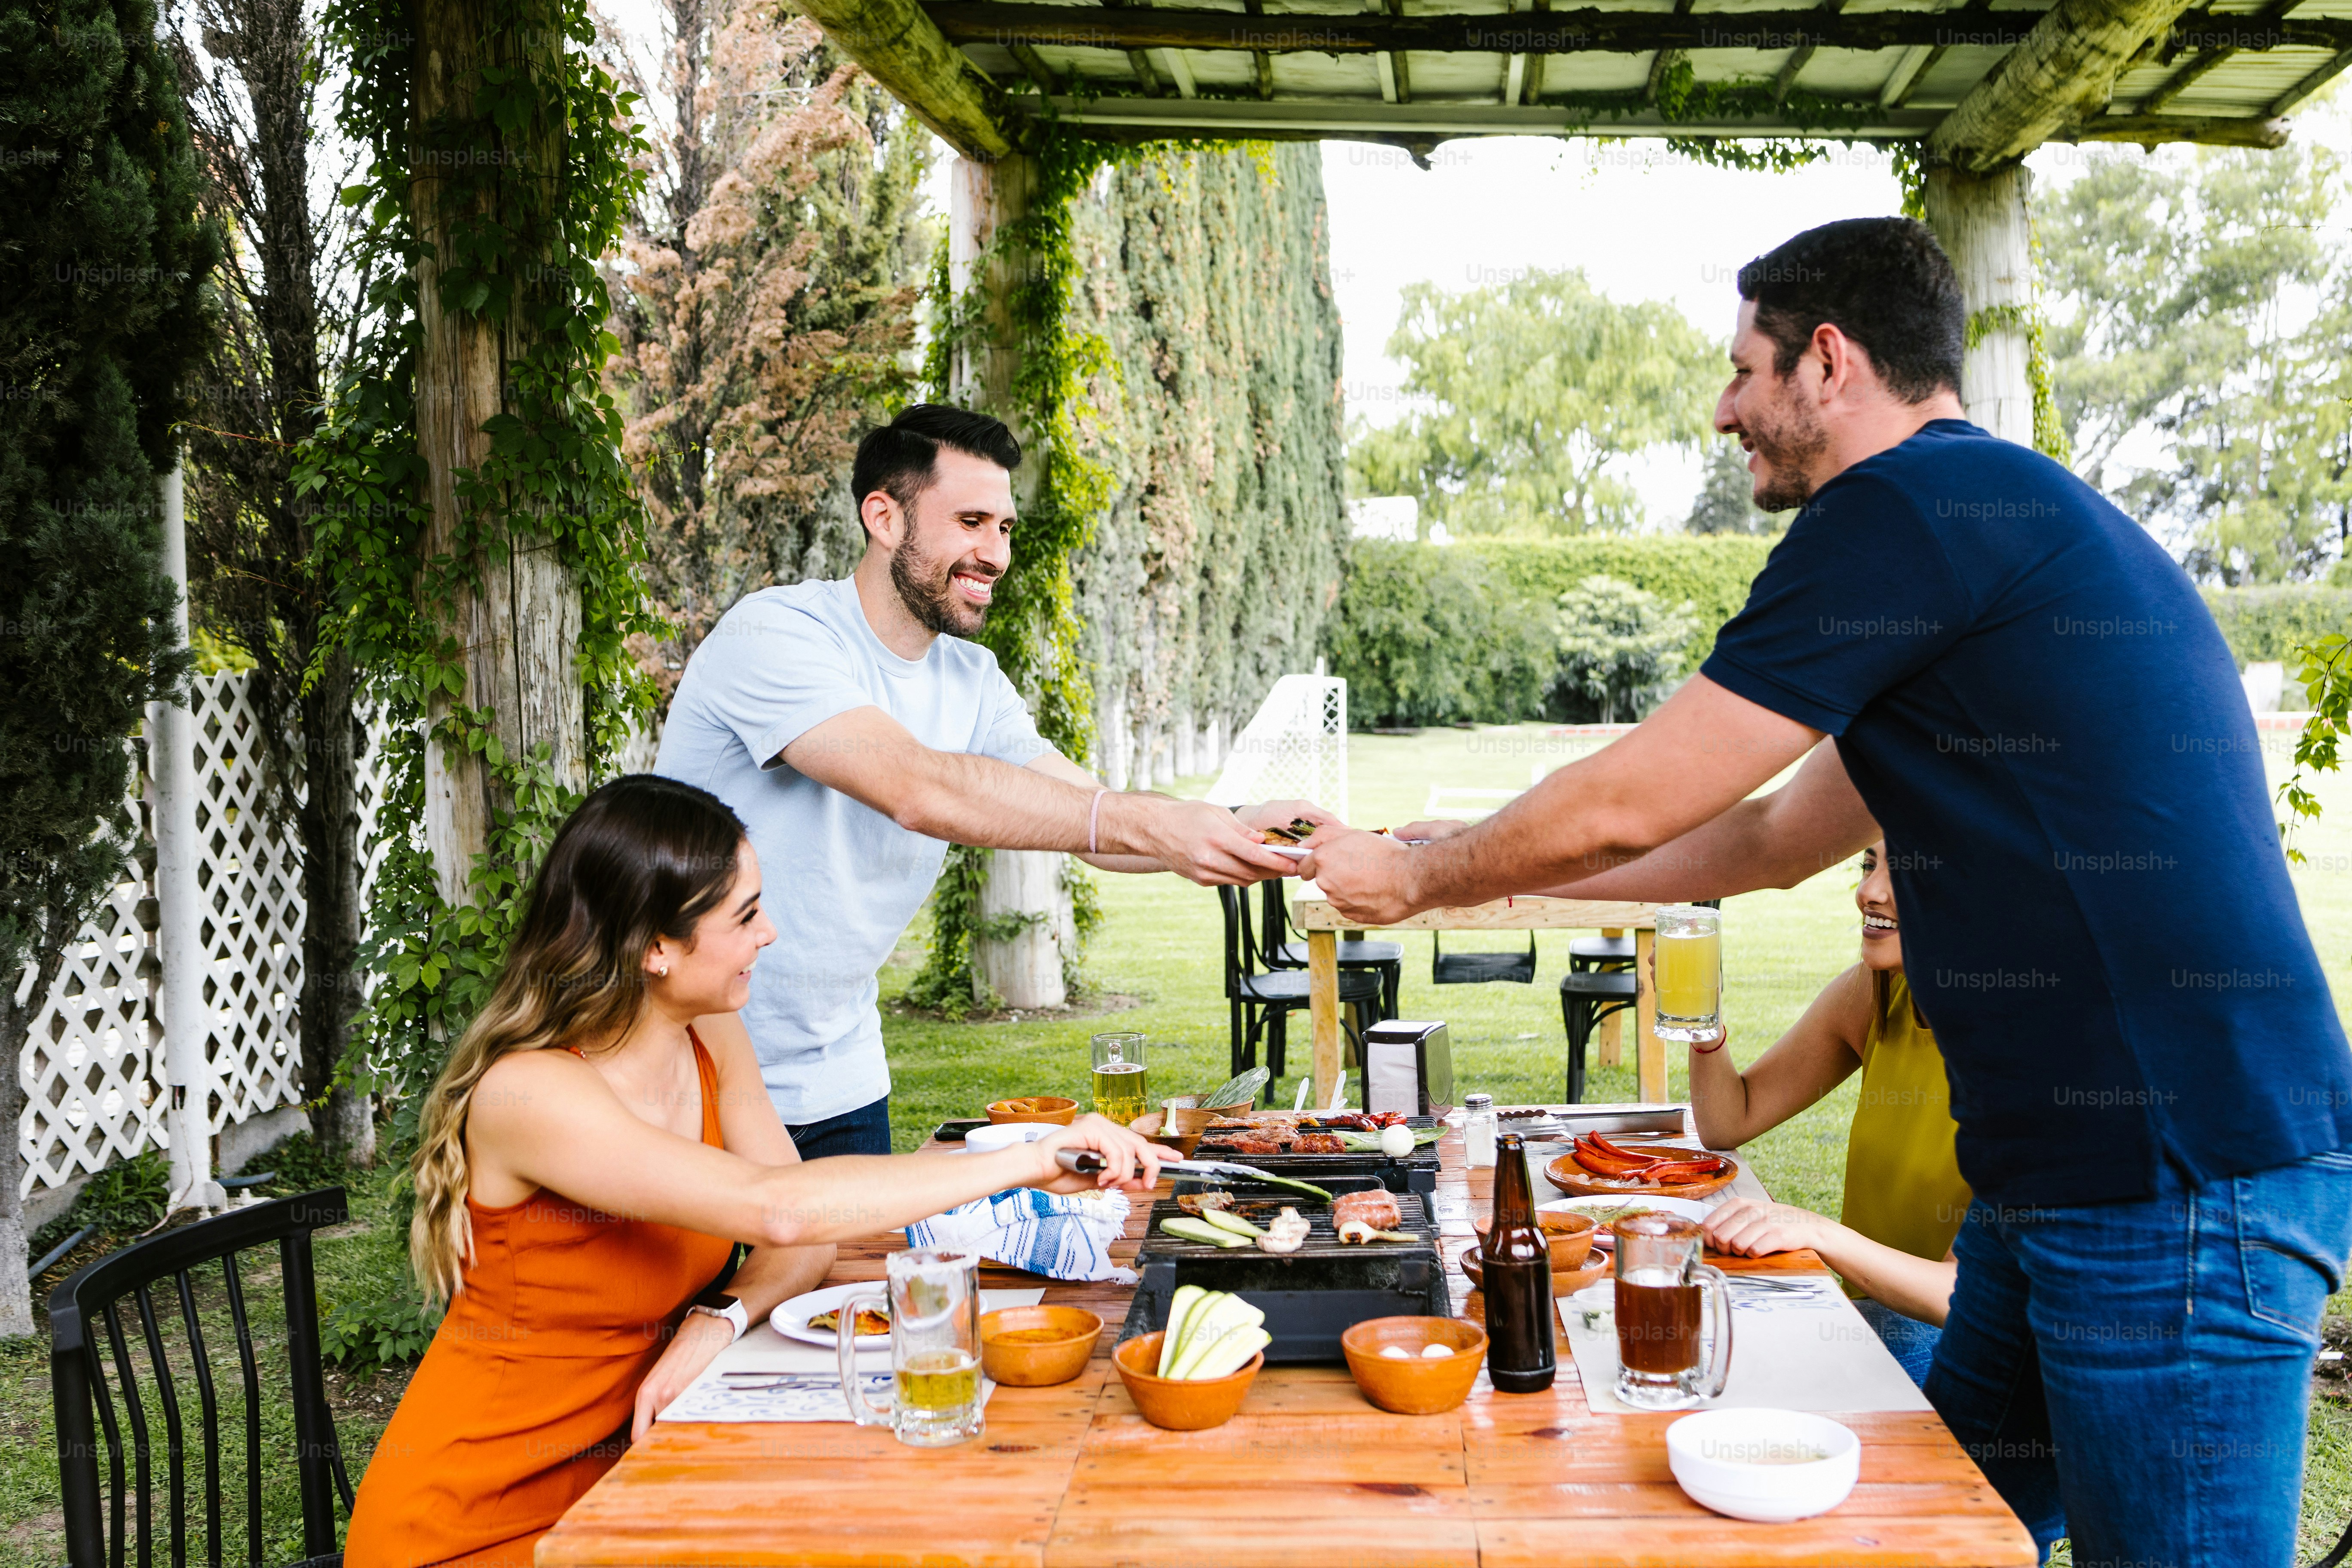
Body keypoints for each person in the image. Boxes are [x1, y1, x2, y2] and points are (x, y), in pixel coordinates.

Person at [1302, 217, 2352, 1567]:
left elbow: (1638, 794)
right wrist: (1480, 847)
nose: (1726, 406)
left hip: (2179, 1183)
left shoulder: (1902, 510)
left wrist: (1416, 877)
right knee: (1933, 1536)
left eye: (1746, 369)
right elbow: (1767, 843)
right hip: (2067, 1185)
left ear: (1830, 359)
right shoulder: (1980, 522)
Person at [346, 775, 1161, 1568]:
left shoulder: (708, 1038)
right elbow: (778, 1211)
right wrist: (1026, 1160)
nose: (768, 932)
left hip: (644, 1474)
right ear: (657, 946)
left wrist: (722, 1318)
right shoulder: (530, 1092)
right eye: (745, 915)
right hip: (477, 1519)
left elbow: (804, 1244)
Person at [656, 404, 1314, 1157]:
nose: (994, 554)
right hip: (692, 1070)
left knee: (852, 1279)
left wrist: (1237, 821)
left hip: (841, 1077)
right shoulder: (774, 634)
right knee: (724, 1282)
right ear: (884, 517)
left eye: (1003, 528)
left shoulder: (969, 678)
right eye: (971, 521)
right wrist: (1148, 825)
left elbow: (1087, 817)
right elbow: (917, 789)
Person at [1585, 836, 1967, 1385]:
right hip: (1870, 1315)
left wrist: (1819, 1233)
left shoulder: (2029, 1050)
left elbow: (1961, 1298)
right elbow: (1729, 1121)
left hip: (1954, 1342)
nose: (1868, 892)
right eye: (1868, 865)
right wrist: (1705, 1028)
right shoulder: (1879, 993)